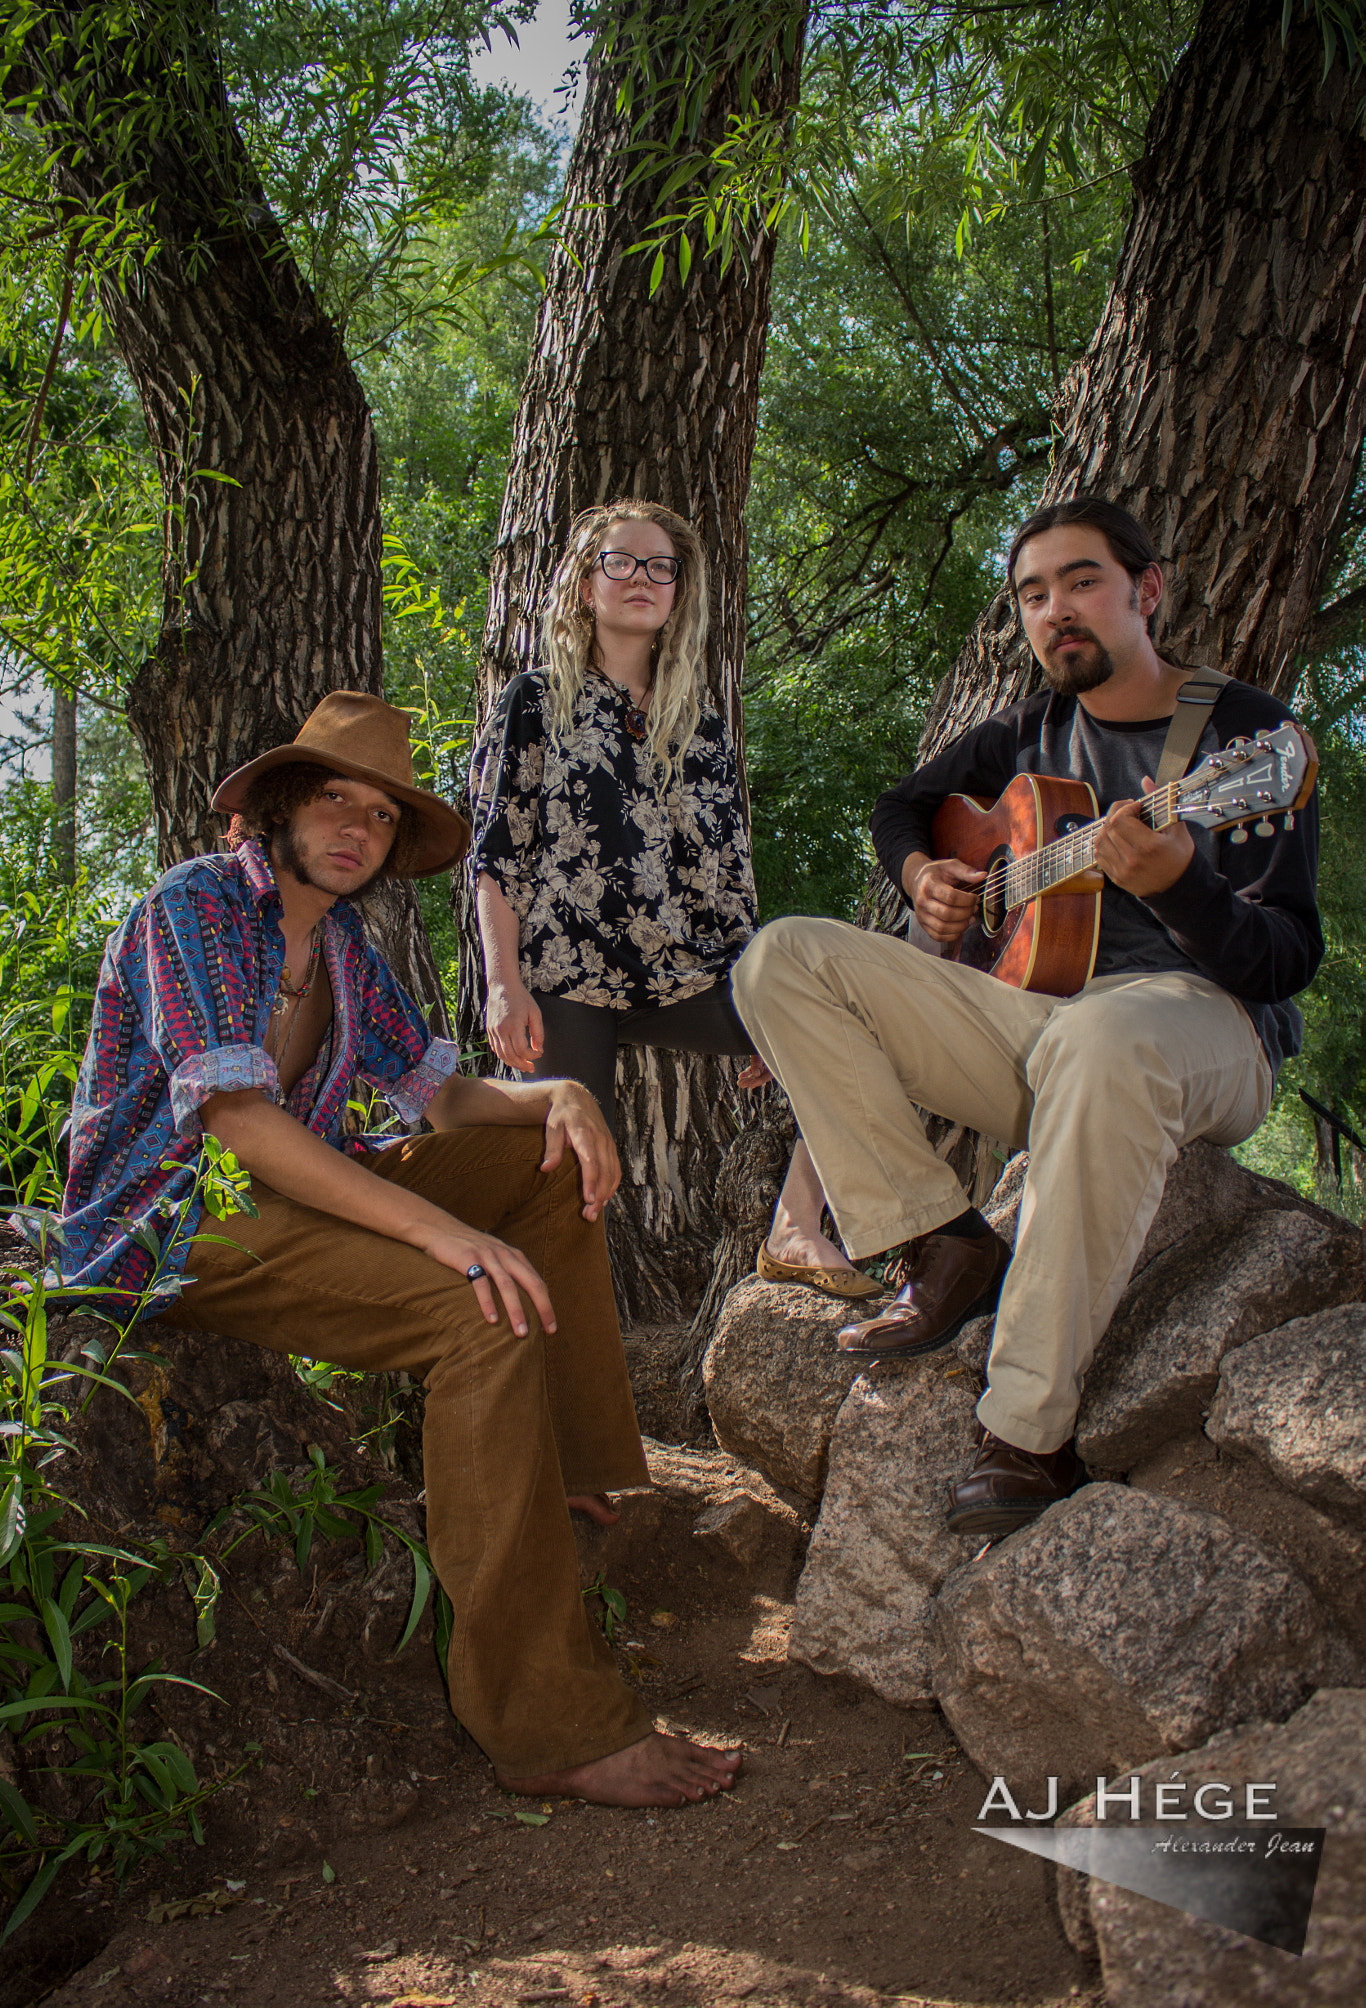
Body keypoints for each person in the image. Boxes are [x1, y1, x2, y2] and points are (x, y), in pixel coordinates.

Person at [58, 690, 741, 1807]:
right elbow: (234, 1123)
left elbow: (441, 1095)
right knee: (472, 1308)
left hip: (311, 1193)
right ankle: (546, 1724)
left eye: (379, 814)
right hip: (177, 1223)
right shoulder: (192, 907)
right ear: (274, 807)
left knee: (550, 1164)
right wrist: (443, 1232)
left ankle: (558, 1473)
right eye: (332, 797)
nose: (355, 827)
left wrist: (559, 1093)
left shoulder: (344, 950)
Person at [732, 497, 1322, 1536]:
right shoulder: (1028, 731)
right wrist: (924, 877)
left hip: (1201, 1029)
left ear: (1146, 591)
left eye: (1081, 582)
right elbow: (901, 807)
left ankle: (1023, 1433)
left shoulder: (1245, 740)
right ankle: (941, 1241)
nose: (1055, 611)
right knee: (783, 955)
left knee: (1107, 1036)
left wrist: (1184, 883)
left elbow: (1283, 960)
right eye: (1032, 594)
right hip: (1037, 1025)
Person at [468, 498, 882, 1298]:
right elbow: (498, 854)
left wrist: (770, 1006)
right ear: (585, 586)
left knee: (850, 1026)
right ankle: (549, 1370)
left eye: (661, 566)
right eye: (619, 562)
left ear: (678, 592)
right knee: (564, 1185)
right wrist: (502, 982)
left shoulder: (705, 726)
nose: (642, 579)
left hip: (686, 978)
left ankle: (799, 1225)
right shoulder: (537, 700)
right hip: (564, 979)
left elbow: (729, 881)